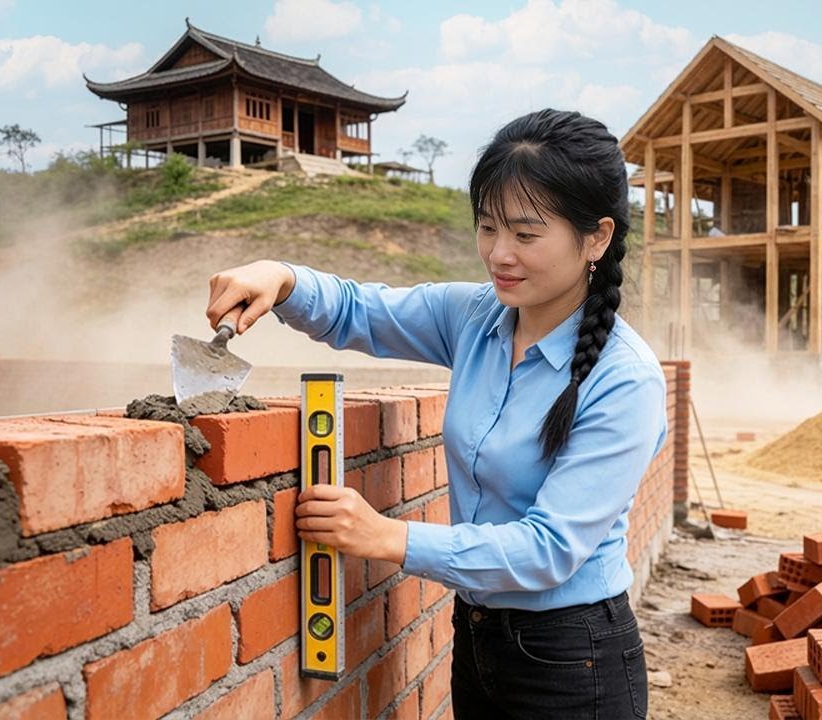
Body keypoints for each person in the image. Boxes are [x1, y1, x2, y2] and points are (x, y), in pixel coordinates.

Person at [205, 108, 667, 719]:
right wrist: (281, 278)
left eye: (526, 235)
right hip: (478, 636)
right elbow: (361, 312)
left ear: (597, 238)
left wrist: (386, 536)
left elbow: (550, 549)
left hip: (573, 659)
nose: (499, 254)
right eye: (487, 228)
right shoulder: (475, 318)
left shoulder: (624, 377)